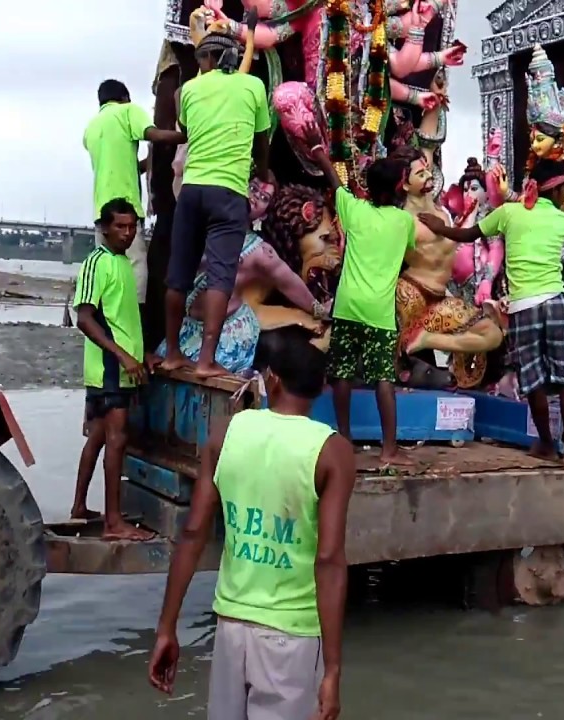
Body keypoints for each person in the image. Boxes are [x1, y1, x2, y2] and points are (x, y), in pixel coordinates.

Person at [149, 325, 354, 720]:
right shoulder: (332, 451)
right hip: (291, 638)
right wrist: (332, 670)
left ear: (272, 379)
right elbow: (328, 560)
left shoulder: (227, 433)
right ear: (321, 388)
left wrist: (166, 628)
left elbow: (193, 533)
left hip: (231, 628)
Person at [419, 158, 564, 468]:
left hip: (524, 308)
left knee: (534, 381)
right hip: (555, 304)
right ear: (554, 191)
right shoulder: (563, 219)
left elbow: (469, 234)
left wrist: (440, 227)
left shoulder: (508, 212)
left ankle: (545, 445)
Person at [160, 18, 272, 379]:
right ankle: (206, 359)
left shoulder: (190, 90)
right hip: (228, 194)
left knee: (178, 274)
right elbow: (262, 140)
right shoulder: (253, 86)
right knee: (220, 277)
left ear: (205, 59)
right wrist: (262, 170)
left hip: (192, 191)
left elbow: (188, 131)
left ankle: (173, 353)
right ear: (236, 56)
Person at [309, 145, 417, 465]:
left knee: (342, 374)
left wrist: (320, 156)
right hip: (379, 312)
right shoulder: (403, 221)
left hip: (347, 306)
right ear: (400, 187)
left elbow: (335, 183)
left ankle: (344, 437)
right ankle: (389, 450)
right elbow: (409, 253)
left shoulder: (354, 211)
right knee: (384, 378)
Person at [71, 198, 155, 540]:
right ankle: (113, 523)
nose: (127, 233)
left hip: (122, 366)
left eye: (132, 227)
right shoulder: (98, 261)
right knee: (116, 441)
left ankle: (79, 507)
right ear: (104, 228)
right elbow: (85, 318)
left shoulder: (122, 263)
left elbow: (122, 316)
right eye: (120, 226)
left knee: (99, 438)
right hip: (109, 369)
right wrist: (122, 356)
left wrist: (142, 352)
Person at [84, 78, 186, 305]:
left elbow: (122, 164)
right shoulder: (127, 111)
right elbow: (156, 135)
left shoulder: (92, 127)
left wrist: (148, 163)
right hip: (125, 206)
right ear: (124, 98)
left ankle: (106, 316)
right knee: (136, 263)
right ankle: (136, 313)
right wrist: (188, 138)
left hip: (101, 208)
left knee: (107, 266)